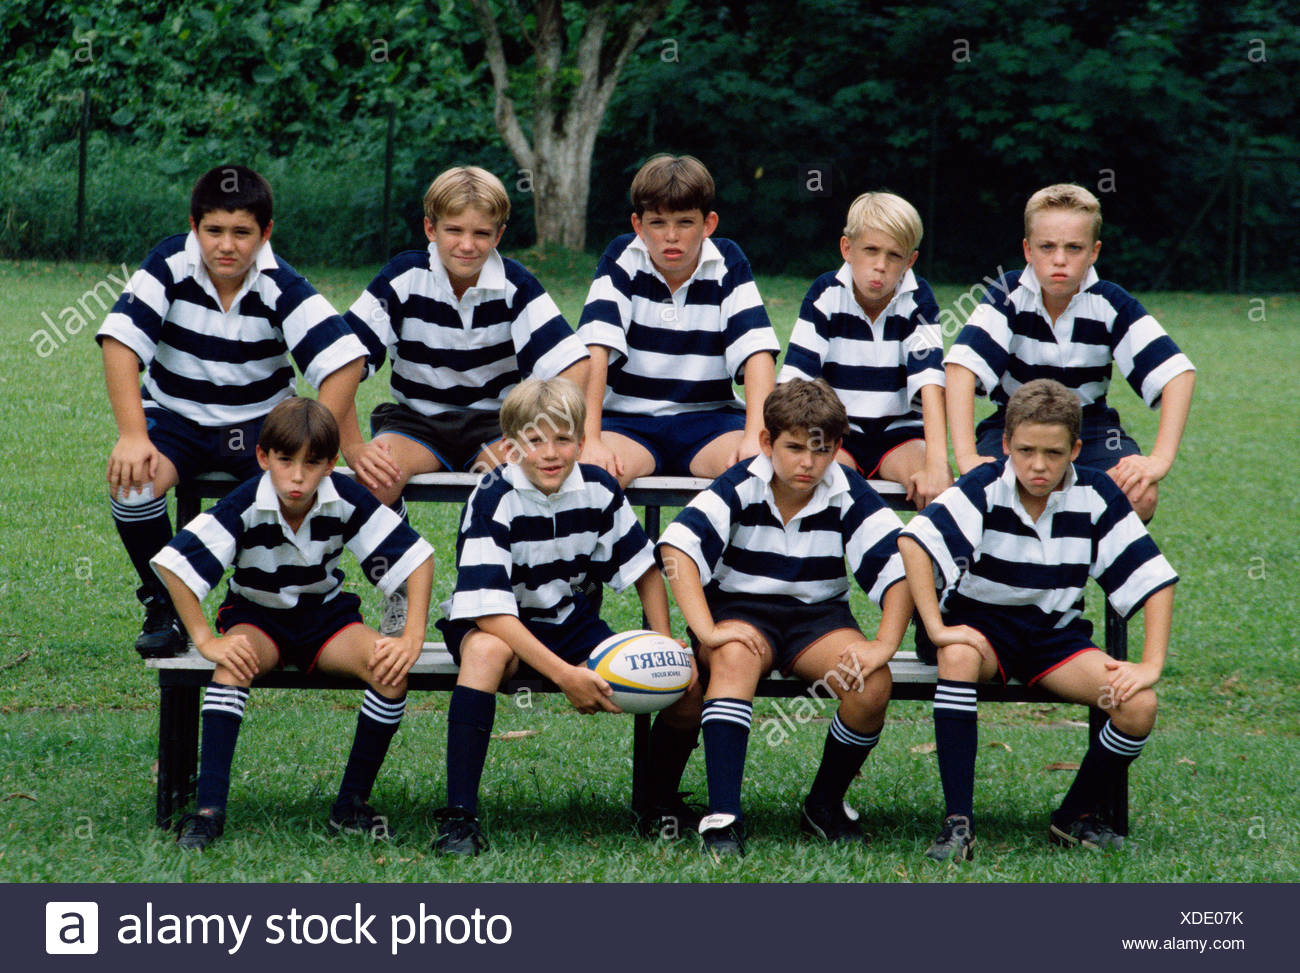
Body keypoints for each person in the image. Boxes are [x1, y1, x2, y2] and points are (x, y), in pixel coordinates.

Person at [898, 379, 1177, 862]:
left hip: (1053, 637)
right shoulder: (984, 485)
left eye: (1053, 452)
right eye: (1025, 450)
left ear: (1076, 449)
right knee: (958, 655)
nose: (1039, 465)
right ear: (1006, 445)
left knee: (1139, 706)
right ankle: (958, 822)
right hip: (979, 630)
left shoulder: (1095, 493)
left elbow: (1154, 578)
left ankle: (1073, 817)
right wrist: (937, 628)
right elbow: (914, 543)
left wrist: (1149, 665)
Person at [98, 164, 367, 657]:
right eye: (214, 231)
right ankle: (165, 601)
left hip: (258, 426)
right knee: (132, 484)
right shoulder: (169, 264)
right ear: (193, 226)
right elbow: (120, 342)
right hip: (176, 419)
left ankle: (272, 608)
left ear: (265, 234)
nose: (227, 245)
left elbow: (345, 359)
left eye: (242, 232)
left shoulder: (279, 283)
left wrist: (310, 446)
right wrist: (133, 434)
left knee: (294, 490)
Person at [431, 378, 702, 856]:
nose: (551, 453)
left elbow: (644, 568)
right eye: (536, 440)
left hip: (570, 622)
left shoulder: (597, 487)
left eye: (563, 439)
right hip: (497, 620)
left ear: (581, 440)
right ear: (513, 447)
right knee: (486, 651)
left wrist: (665, 640)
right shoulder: (494, 495)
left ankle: (658, 803)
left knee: (687, 677)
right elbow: (491, 611)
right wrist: (564, 676)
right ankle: (460, 819)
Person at [150, 398, 434, 850]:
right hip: (257, 619)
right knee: (233, 665)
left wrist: (412, 638)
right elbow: (176, 564)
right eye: (285, 460)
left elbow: (418, 558)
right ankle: (207, 812)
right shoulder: (245, 502)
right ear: (263, 457)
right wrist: (204, 639)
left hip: (327, 619)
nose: (298, 476)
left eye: (312, 463)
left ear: (331, 464)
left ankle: (350, 805)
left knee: (389, 669)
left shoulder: (343, 497)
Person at [657, 379, 913, 859]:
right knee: (733, 658)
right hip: (741, 611)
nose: (806, 463)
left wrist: (884, 644)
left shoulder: (845, 490)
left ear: (837, 449)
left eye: (820, 451)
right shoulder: (740, 484)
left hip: (818, 619)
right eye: (793, 448)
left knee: (871, 683)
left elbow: (900, 567)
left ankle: (824, 804)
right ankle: (724, 816)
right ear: (766, 442)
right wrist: (707, 630)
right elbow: (677, 547)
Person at [342, 165, 590, 634]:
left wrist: (528, 438)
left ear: (498, 234)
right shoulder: (403, 278)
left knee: (513, 477)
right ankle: (398, 587)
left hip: (493, 422)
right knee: (376, 476)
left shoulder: (516, 285)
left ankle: (486, 595)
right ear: (430, 228)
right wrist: (353, 446)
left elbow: (575, 366)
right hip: (416, 420)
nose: (467, 244)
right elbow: (342, 362)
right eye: (453, 230)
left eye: (481, 232)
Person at [945, 183, 1195, 521]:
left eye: (1074, 248)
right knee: (983, 491)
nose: (1059, 260)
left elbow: (1176, 374)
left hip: (1089, 429)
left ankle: (1072, 570)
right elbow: (961, 367)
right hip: (1013, 425)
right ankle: (1012, 572)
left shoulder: (1110, 302)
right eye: (1046, 247)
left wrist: (1159, 460)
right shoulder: (1007, 296)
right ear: (1027, 250)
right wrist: (966, 457)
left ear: (1094, 252)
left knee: (1139, 495)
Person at [577, 154, 780, 486]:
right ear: (638, 226)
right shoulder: (622, 257)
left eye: (685, 222)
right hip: (629, 423)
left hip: (710, 423)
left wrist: (755, 436)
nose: (671, 236)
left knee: (756, 473)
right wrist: (591, 439)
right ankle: (627, 541)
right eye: (658, 223)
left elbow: (756, 352)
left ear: (708, 224)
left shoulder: (727, 261)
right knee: (593, 476)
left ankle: (693, 538)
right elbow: (596, 348)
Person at [780, 191, 951, 508]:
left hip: (900, 435)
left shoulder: (918, 299)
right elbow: (794, 382)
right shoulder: (826, 294)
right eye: (871, 250)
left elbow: (930, 383)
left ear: (910, 261)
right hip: (834, 434)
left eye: (894, 256)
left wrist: (938, 465)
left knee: (940, 488)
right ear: (847, 248)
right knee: (824, 481)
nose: (881, 266)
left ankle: (917, 555)